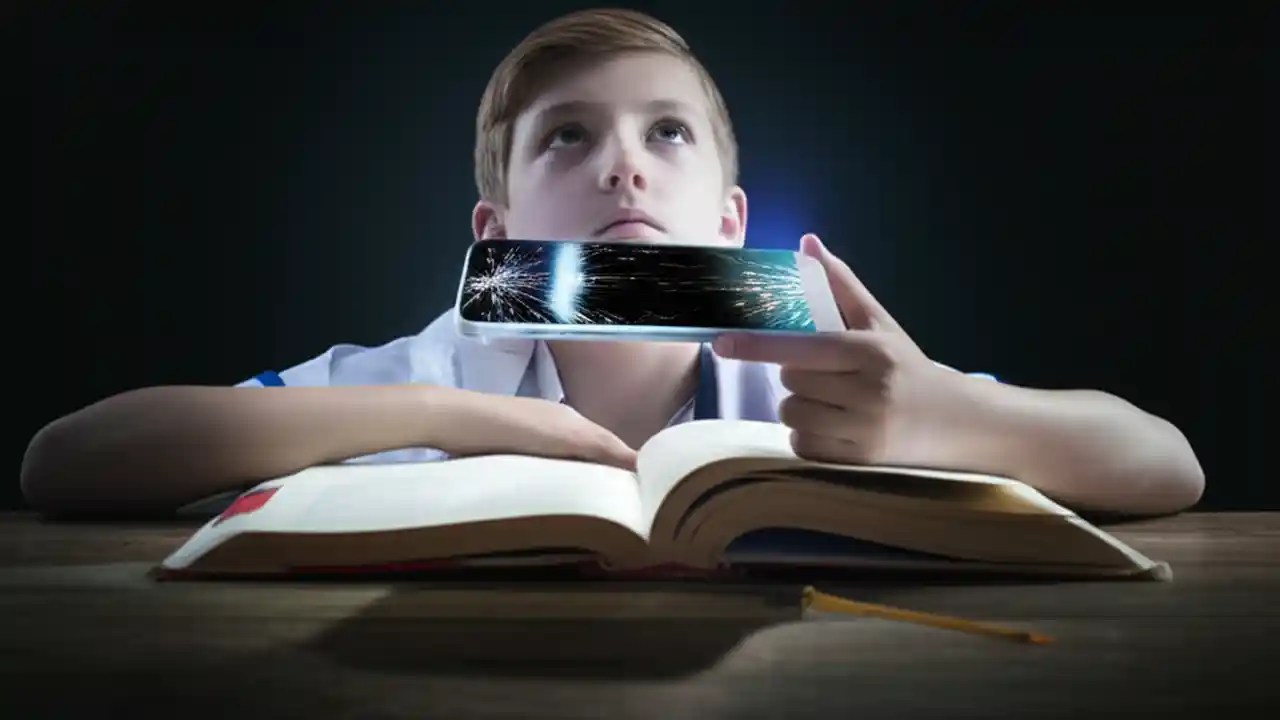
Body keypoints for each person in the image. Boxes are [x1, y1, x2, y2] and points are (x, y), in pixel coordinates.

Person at [20, 8, 1203, 519]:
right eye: (569, 136)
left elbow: (1166, 468)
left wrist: (939, 411)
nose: (623, 170)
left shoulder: (833, 384)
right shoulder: (435, 368)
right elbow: (65, 464)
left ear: (729, 223)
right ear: (493, 236)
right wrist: (447, 413)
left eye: (664, 132)